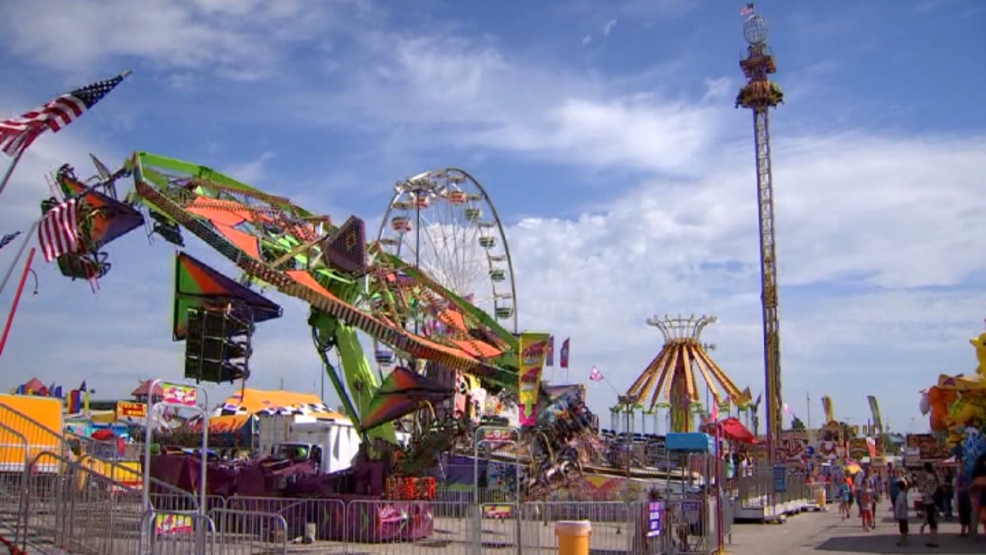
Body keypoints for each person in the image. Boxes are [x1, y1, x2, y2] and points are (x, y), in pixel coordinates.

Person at [920, 462, 940, 548]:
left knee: (932, 522)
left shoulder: (929, 477)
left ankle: (933, 541)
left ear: (925, 469)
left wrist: (922, 488)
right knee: (933, 522)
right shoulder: (933, 476)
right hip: (931, 501)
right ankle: (933, 540)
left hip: (929, 501)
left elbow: (929, 490)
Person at [956, 458, 973, 537]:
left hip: (964, 497)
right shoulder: (960, 474)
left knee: (964, 514)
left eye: (960, 463)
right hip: (962, 497)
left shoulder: (964, 475)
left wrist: (957, 488)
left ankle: (964, 530)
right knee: (965, 514)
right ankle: (970, 529)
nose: (959, 465)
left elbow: (965, 487)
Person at [895, 479, 910, 546]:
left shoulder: (900, 495)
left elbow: (899, 505)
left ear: (898, 488)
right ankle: (904, 540)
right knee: (905, 529)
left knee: (903, 529)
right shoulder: (904, 494)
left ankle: (903, 541)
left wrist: (896, 514)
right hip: (905, 514)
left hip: (902, 515)